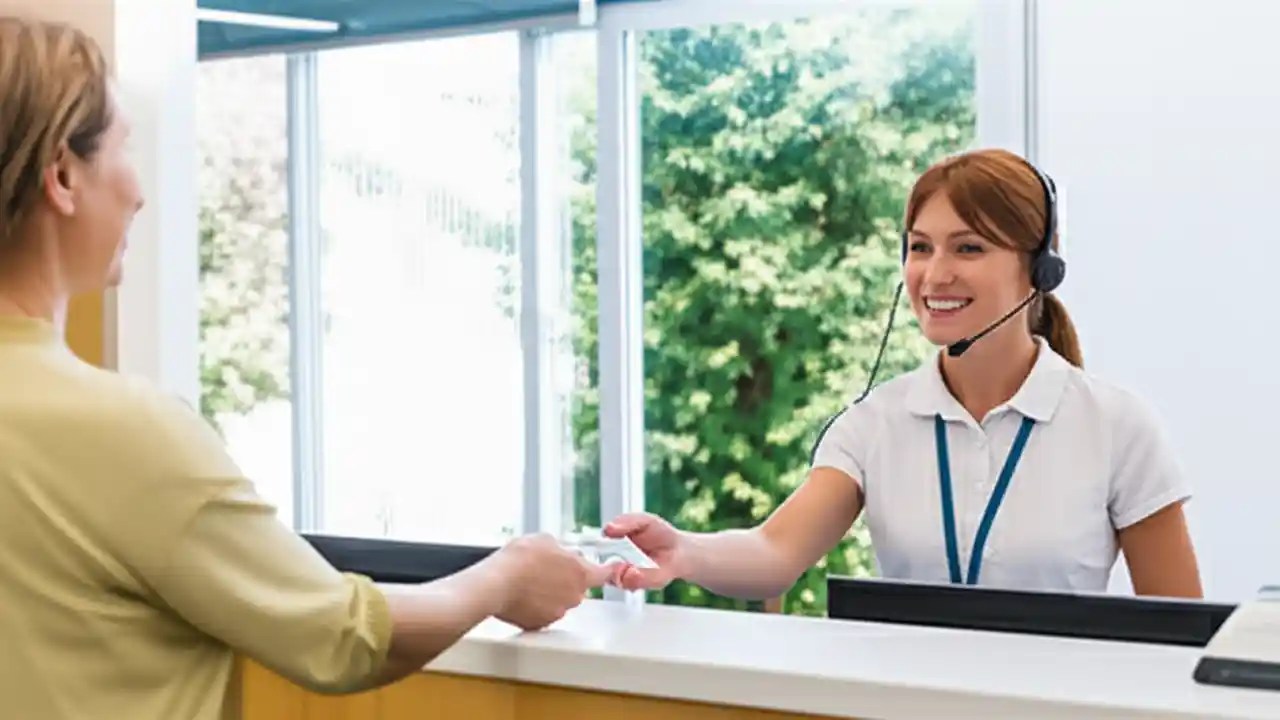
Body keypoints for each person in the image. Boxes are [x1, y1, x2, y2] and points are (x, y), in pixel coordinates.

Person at [0, 16, 608, 720]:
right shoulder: (116, 432)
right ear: (64, 177)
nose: (138, 191)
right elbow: (347, 637)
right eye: (123, 147)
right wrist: (507, 577)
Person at [605, 148, 1203, 601]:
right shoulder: (873, 425)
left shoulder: (1116, 425)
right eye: (920, 248)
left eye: (968, 249)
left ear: (1039, 270)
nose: (934, 275)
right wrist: (684, 551)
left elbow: (1177, 629)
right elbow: (774, 551)